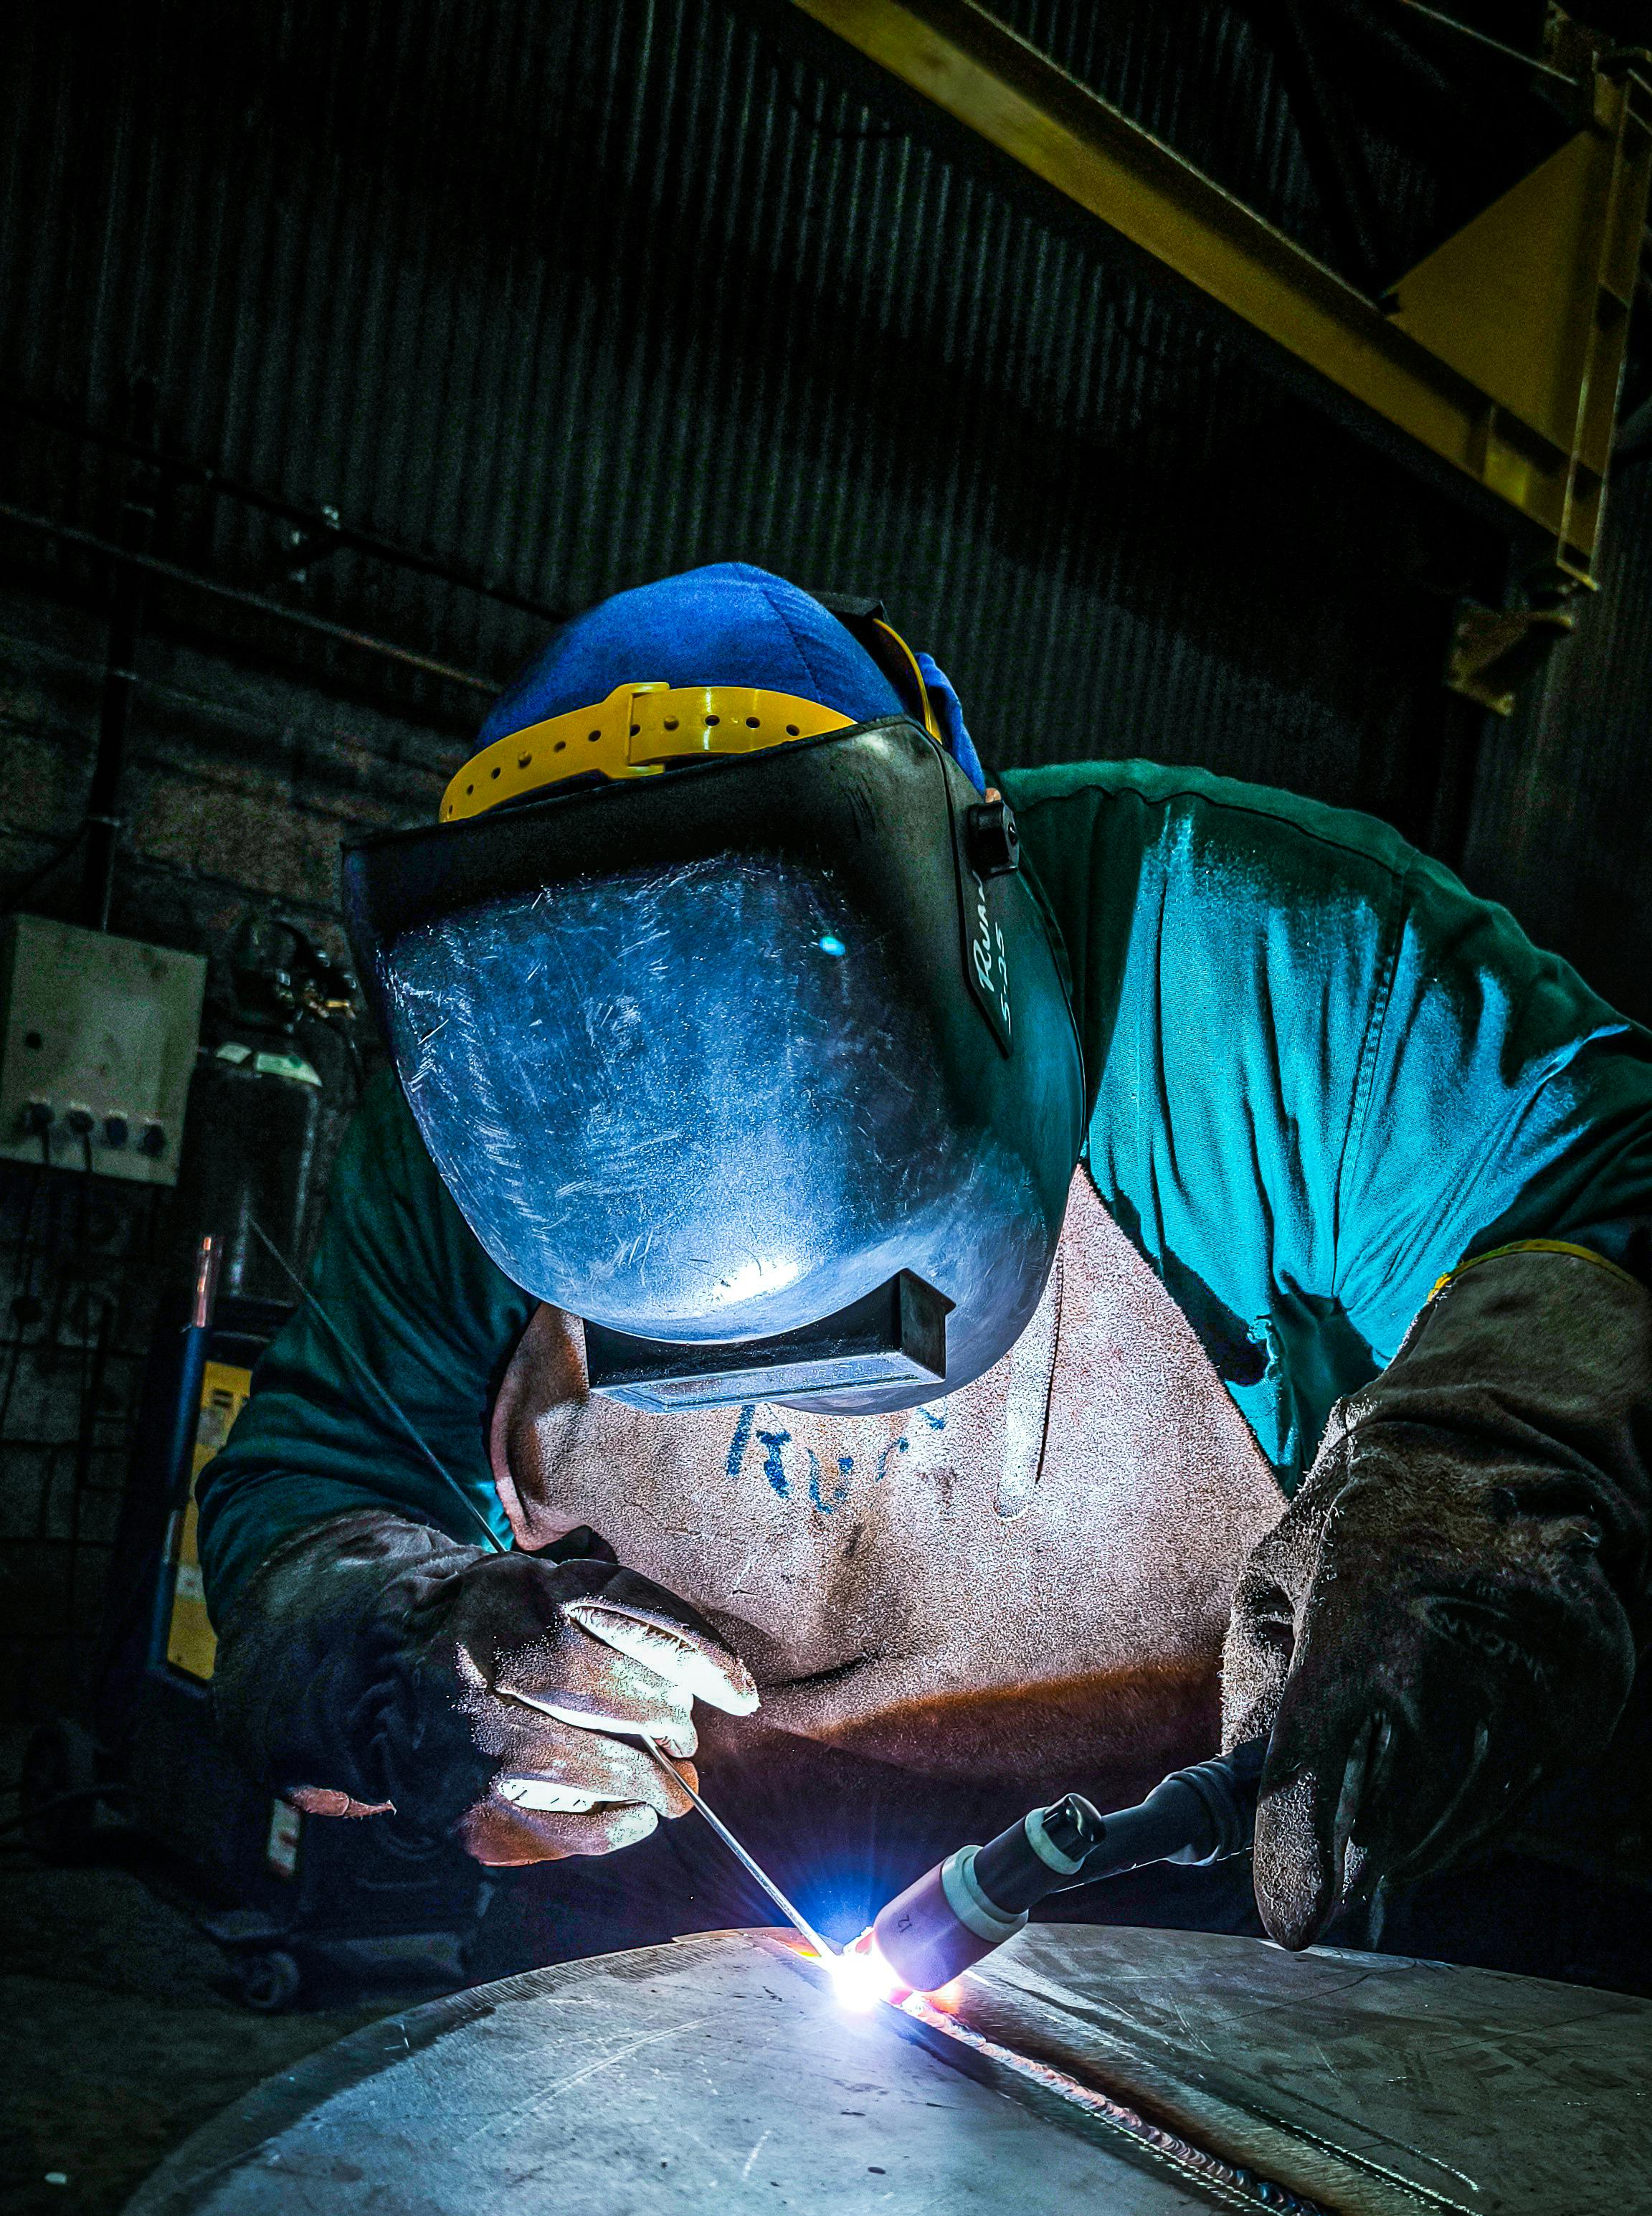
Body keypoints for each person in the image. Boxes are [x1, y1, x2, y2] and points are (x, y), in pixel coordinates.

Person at [196, 563, 1652, 1981]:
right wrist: (409, 1648)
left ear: (978, 918)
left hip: (1199, 1976)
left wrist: (1490, 1465)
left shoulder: (1260, 964)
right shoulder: (483, 1078)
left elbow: (1609, 1182)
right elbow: (305, 1486)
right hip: (652, 1971)